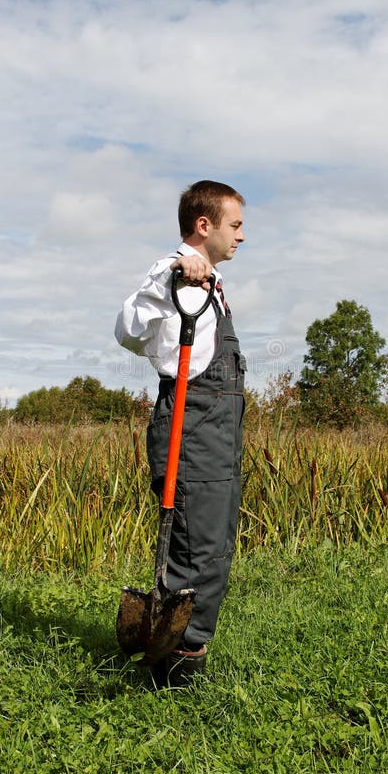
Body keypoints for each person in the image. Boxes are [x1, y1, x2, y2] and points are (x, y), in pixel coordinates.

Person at [115, 180, 246, 686]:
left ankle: (177, 652)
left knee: (211, 544)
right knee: (199, 550)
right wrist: (172, 269)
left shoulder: (209, 283)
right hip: (190, 430)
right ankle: (177, 669)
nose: (241, 236)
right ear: (203, 225)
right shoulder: (174, 273)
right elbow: (127, 328)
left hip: (217, 433)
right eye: (235, 225)